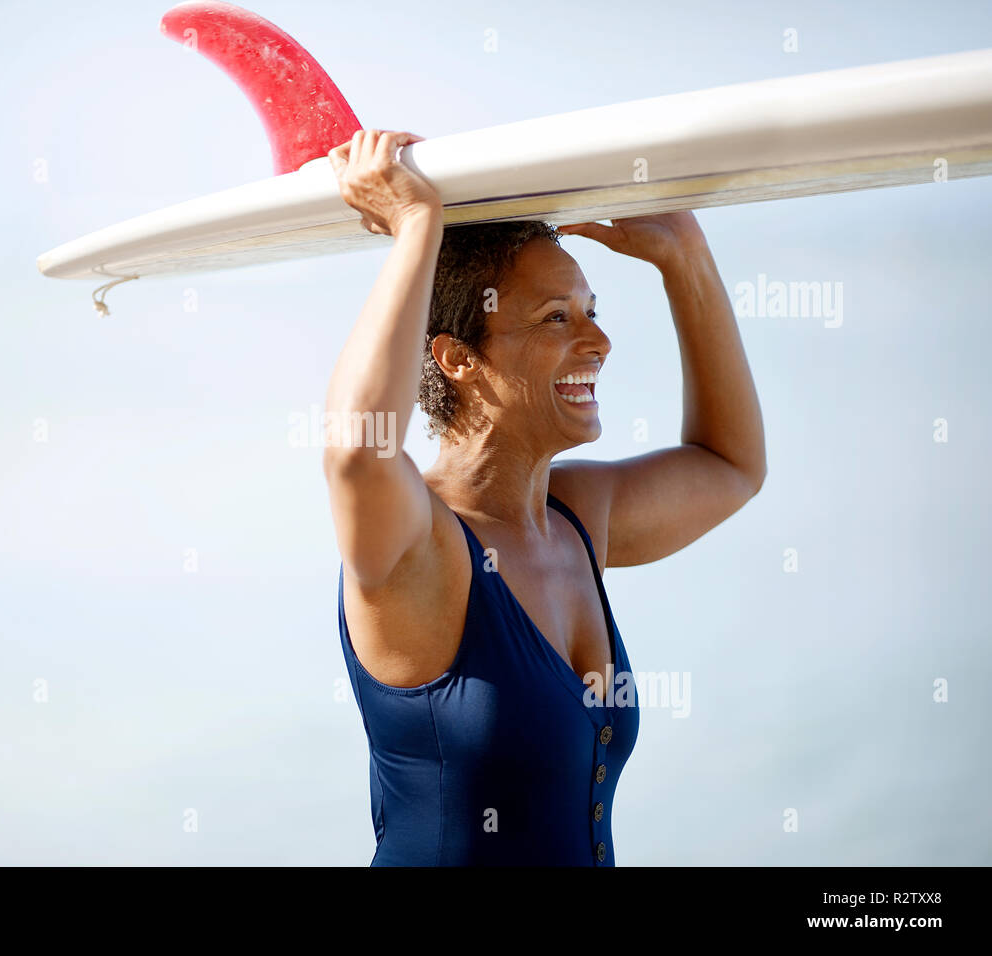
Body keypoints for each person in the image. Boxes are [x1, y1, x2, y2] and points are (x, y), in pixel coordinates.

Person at [322, 129, 767, 866]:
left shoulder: (576, 519)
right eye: (557, 317)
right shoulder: (417, 545)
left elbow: (730, 465)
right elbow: (354, 447)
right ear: (458, 359)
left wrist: (685, 258)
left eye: (591, 311)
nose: (598, 342)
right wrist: (414, 228)